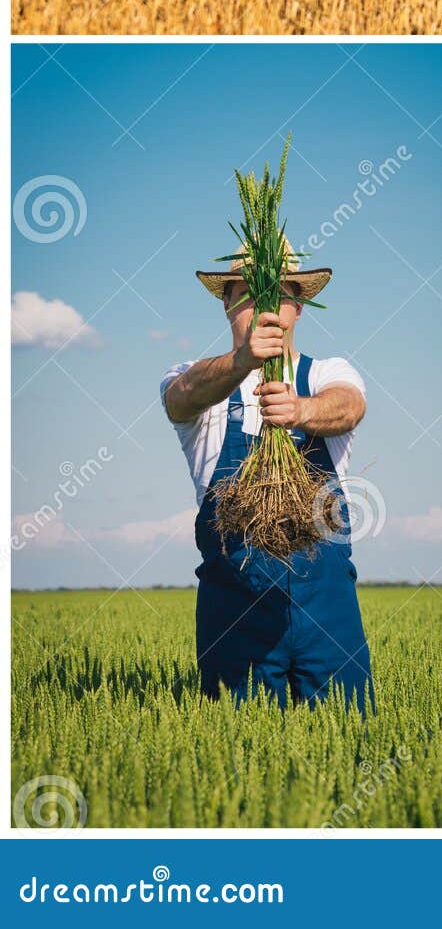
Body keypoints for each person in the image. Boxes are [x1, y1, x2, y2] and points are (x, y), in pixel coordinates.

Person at [160, 246, 372, 710]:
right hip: (235, 614)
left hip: (326, 611)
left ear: (297, 308)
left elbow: (350, 405)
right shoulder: (200, 384)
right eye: (249, 296)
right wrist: (241, 362)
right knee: (241, 757)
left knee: (349, 739)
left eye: (277, 296)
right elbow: (180, 397)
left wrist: (300, 410)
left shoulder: (326, 374)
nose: (264, 310)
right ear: (227, 304)